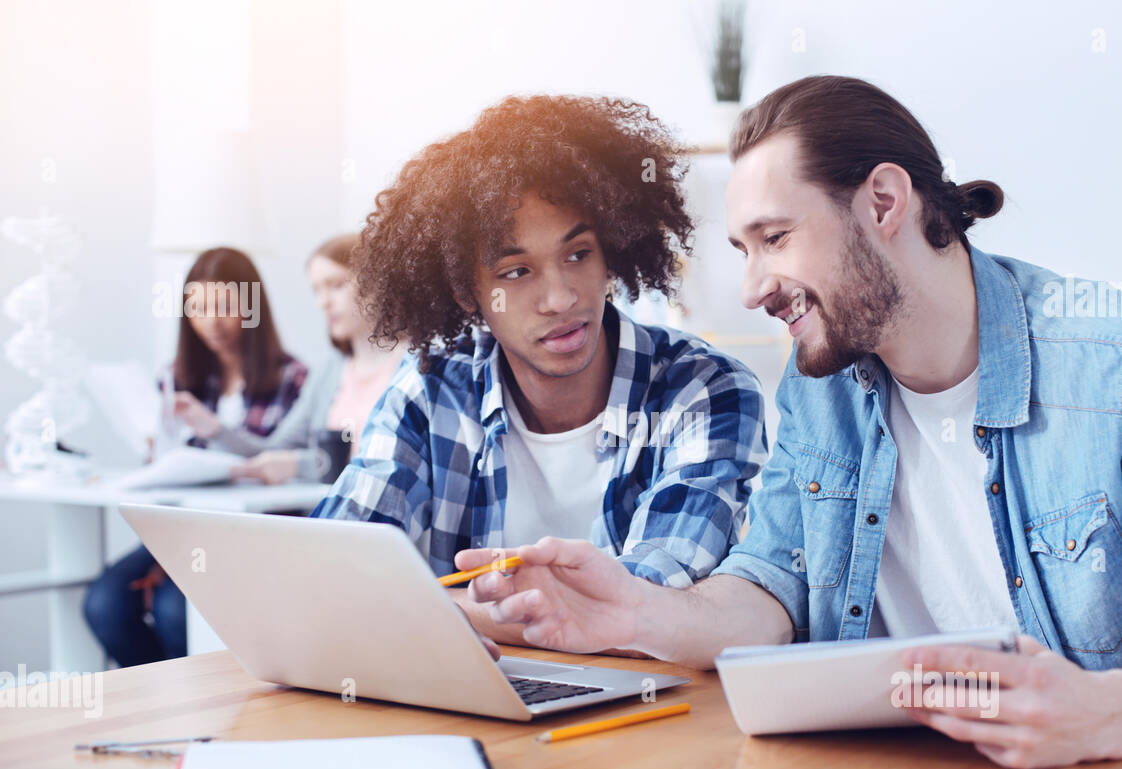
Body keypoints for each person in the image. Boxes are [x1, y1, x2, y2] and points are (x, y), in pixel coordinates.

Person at [458, 75, 1122, 769]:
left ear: (884, 203)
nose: (753, 288)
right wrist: (637, 611)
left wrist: (1106, 713)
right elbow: (769, 589)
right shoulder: (822, 388)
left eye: (775, 240)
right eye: (742, 250)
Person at [309, 93, 769, 651]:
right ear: (464, 292)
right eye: (517, 271)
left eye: (578, 254)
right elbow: (333, 568)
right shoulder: (432, 388)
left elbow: (647, 604)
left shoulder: (704, 389)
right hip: (481, 709)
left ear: (612, 251)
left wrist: (430, 605)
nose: (560, 297)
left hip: (656, 711)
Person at [83, 248, 308, 666]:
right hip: (183, 525)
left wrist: (217, 431)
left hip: (251, 532)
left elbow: (287, 459)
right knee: (104, 605)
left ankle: (196, 712)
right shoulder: (177, 376)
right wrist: (155, 446)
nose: (212, 321)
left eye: (224, 307)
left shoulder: (292, 378)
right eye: (198, 308)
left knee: (174, 611)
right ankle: (156, 704)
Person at [195, 234, 410, 485]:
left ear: (378, 283)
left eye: (336, 285)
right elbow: (272, 452)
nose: (323, 302)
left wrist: (300, 465)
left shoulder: (414, 365)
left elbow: (394, 462)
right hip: (322, 518)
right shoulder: (331, 370)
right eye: (317, 290)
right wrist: (215, 429)